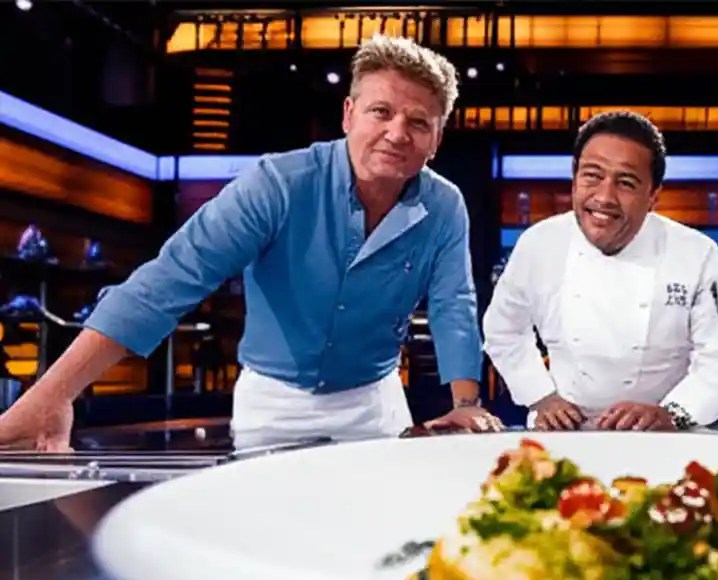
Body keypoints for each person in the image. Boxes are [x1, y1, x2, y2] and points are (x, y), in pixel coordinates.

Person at [0, 34, 502, 452]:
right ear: (348, 114)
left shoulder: (445, 206)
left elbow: (453, 304)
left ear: (437, 138)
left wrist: (463, 405)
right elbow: (168, 280)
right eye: (380, 112)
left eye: (418, 122)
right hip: (273, 401)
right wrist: (52, 395)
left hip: (374, 401)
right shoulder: (277, 183)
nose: (397, 133)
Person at [483, 110, 718, 431]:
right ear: (573, 179)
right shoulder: (540, 244)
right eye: (592, 176)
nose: (604, 197)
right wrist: (541, 396)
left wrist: (673, 412)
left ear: (653, 195)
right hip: (563, 432)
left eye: (625, 182)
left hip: (662, 437)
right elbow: (504, 331)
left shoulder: (695, 254)